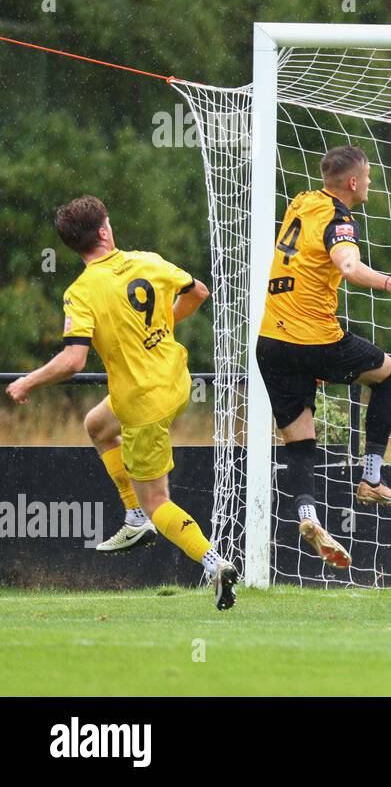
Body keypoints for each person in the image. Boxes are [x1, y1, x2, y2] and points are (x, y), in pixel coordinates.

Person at [5, 196, 238, 610]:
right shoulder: (147, 260)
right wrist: (161, 323)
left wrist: (28, 381)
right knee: (97, 424)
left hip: (142, 403)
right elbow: (198, 292)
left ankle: (213, 562)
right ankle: (133, 517)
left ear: (75, 245)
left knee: (158, 502)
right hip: (175, 381)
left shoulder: (81, 291)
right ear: (104, 231)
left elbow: (74, 360)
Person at [256, 144, 391, 569]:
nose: (368, 183)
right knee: (387, 375)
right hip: (316, 340)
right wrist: (388, 283)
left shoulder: (302, 201)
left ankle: (308, 516)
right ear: (352, 183)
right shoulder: (340, 219)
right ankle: (370, 477)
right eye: (366, 177)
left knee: (300, 439)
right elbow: (347, 266)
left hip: (272, 342)